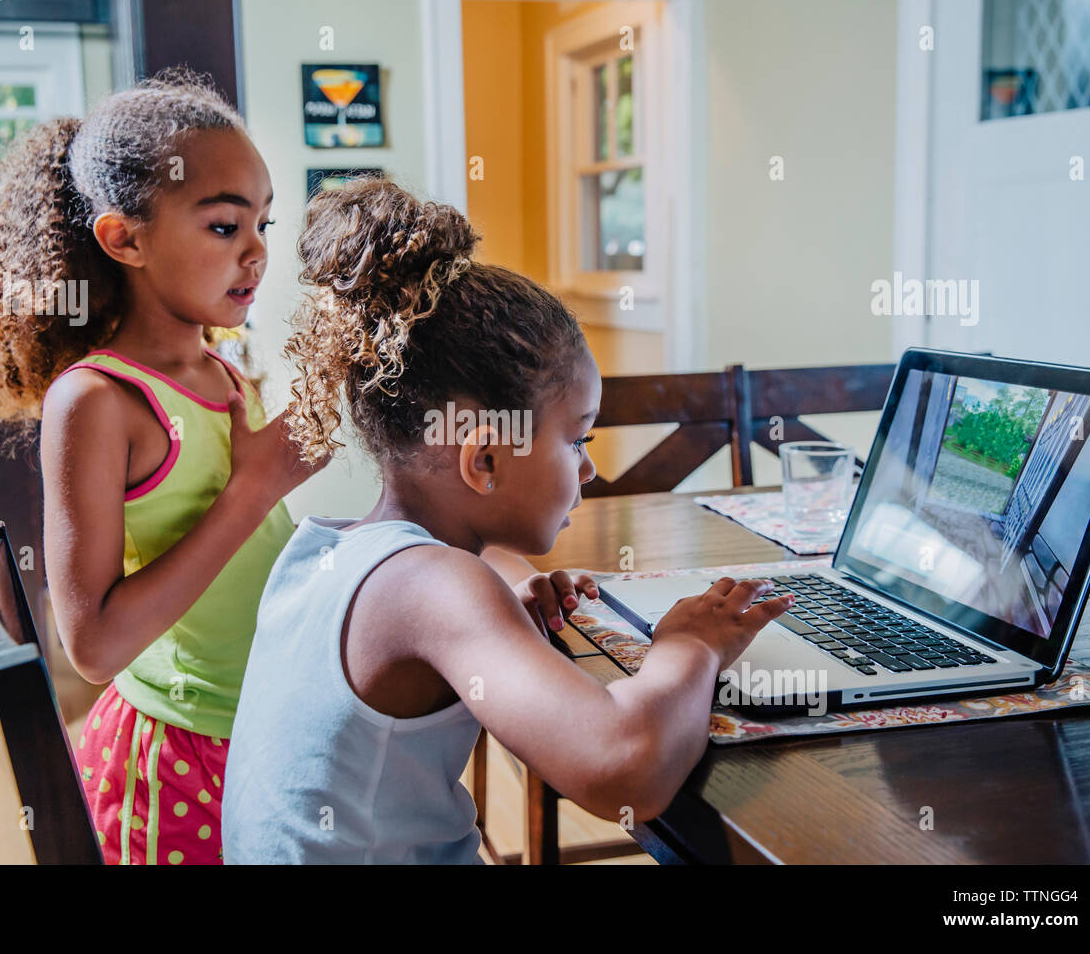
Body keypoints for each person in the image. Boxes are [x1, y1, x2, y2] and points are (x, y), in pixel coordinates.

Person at [222, 179, 792, 863]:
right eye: (577, 439)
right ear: (485, 459)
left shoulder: (324, 550)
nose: (587, 469)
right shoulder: (434, 586)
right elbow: (624, 772)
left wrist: (501, 615)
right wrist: (691, 644)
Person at [0, 70, 325, 864]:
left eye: (264, 222)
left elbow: (251, 551)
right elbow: (91, 645)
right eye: (225, 226)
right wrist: (257, 487)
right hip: (180, 762)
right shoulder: (96, 400)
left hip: (259, 721)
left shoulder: (226, 370)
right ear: (126, 239)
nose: (257, 251)